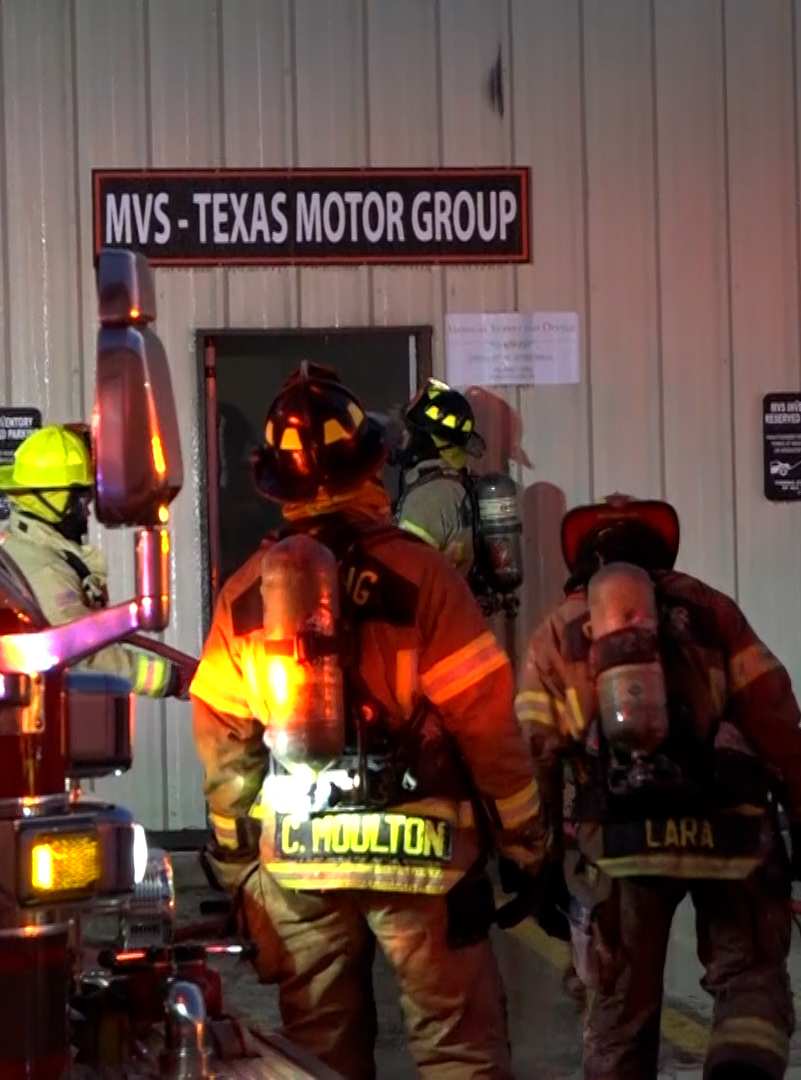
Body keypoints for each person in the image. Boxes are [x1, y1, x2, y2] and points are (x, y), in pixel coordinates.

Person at [187, 363, 548, 1080]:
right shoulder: (425, 578)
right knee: (460, 1049)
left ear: (274, 485)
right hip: (425, 855)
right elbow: (488, 730)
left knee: (318, 1056)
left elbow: (225, 755)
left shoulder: (244, 596)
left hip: (298, 860)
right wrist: (526, 849)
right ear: (375, 461)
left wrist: (239, 874)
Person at [515, 494, 801, 1080]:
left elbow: (535, 756)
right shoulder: (710, 609)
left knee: (620, 1006)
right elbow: (774, 720)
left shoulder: (560, 630)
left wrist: (534, 864)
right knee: (749, 979)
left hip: (622, 842)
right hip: (731, 828)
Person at [0, 423, 186, 699]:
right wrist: (171, 679)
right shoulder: (46, 571)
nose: (87, 510)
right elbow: (85, 654)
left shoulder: (30, 548)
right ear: (54, 500)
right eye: (80, 500)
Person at [394, 377, 486, 576]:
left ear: (425, 439)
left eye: (409, 430)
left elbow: (404, 577)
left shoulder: (427, 498)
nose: (403, 436)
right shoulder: (458, 483)